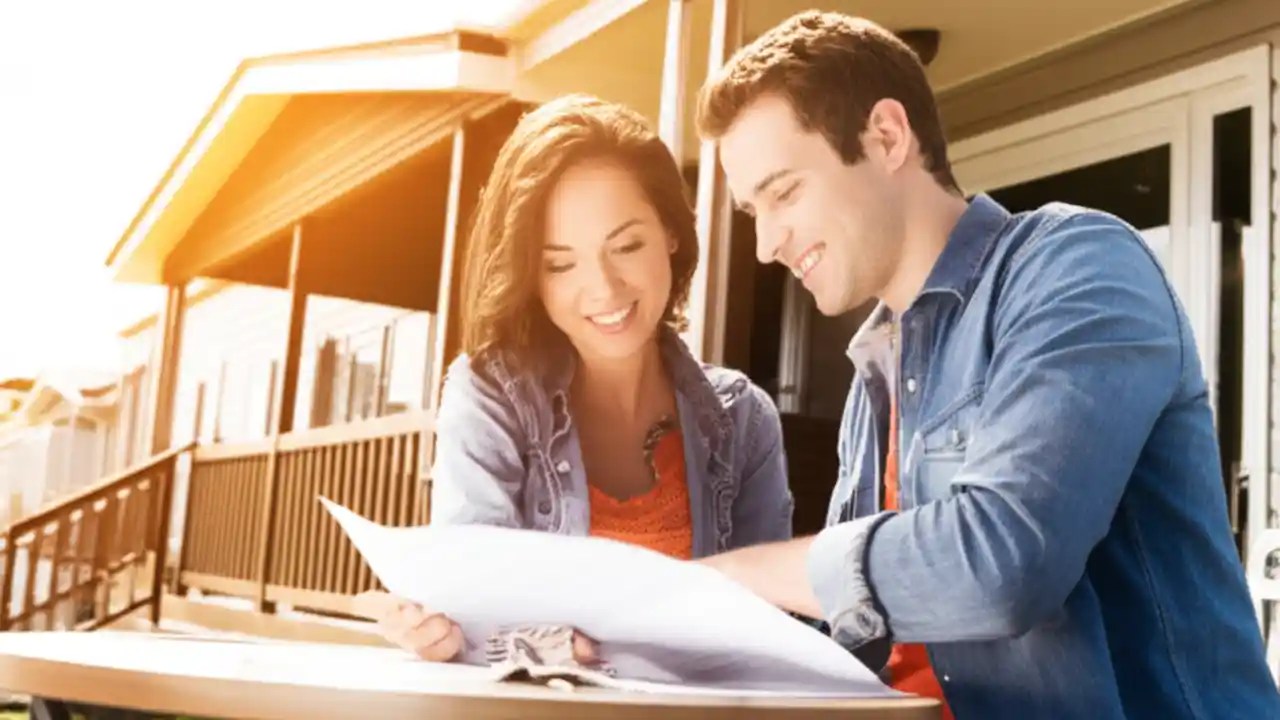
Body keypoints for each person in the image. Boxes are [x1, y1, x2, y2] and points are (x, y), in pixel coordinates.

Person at [691, 10, 1280, 720]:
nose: (765, 244)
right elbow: (855, 639)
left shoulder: (1079, 267)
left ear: (887, 137)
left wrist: (733, 575)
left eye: (784, 192)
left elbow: (1003, 563)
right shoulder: (875, 377)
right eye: (752, 210)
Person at [356, 95, 793, 664]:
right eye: (561, 264)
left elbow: (772, 631)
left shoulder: (744, 421)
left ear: (671, 232)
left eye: (627, 246)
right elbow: (474, 608)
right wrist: (447, 635)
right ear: (531, 274)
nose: (604, 288)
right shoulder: (491, 398)